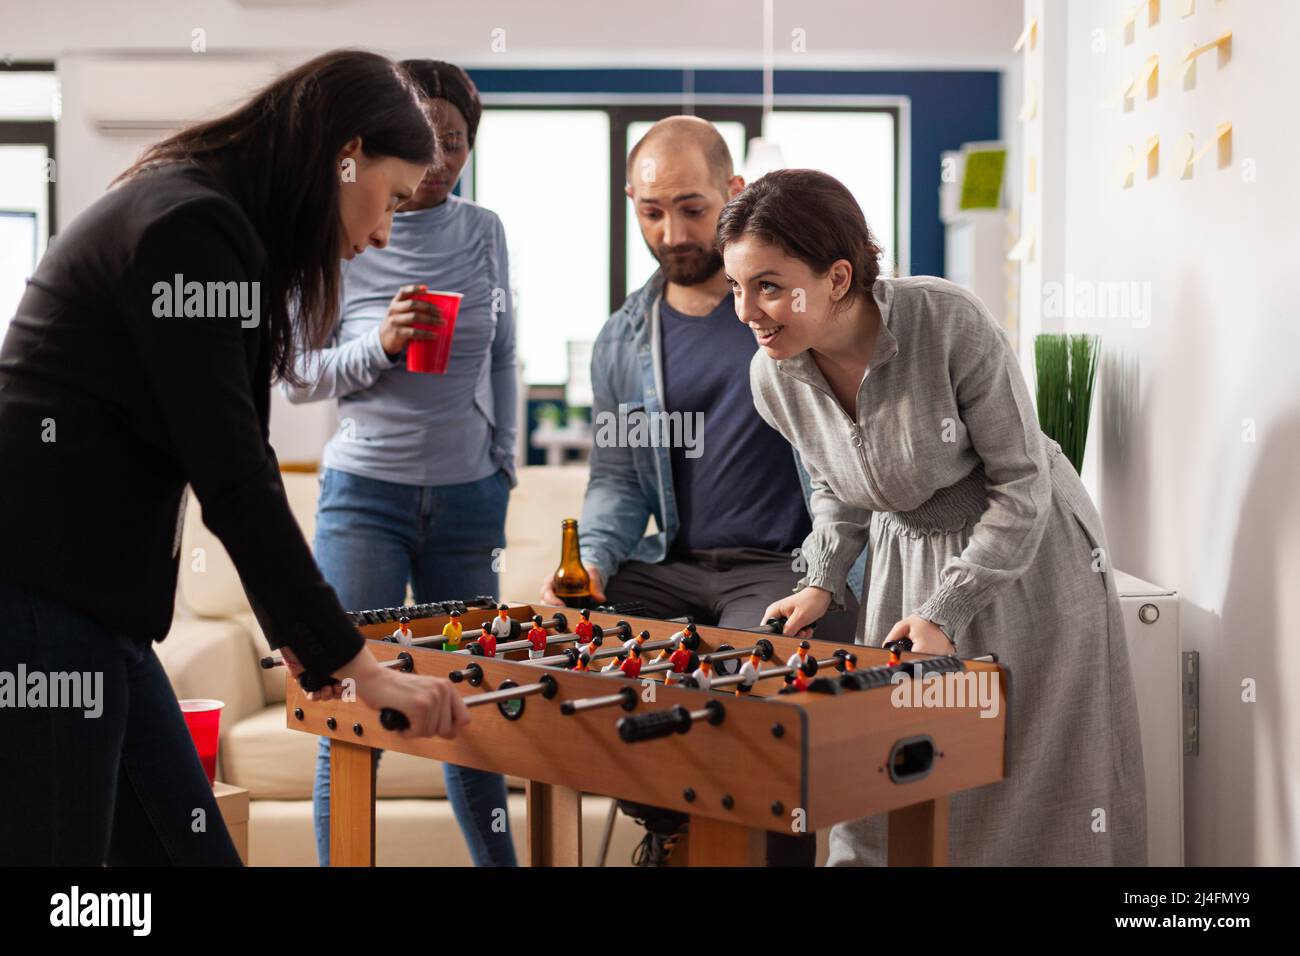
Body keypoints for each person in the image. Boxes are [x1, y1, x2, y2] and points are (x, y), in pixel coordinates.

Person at [0, 50, 469, 865]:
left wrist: (302, 636)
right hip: (37, 598)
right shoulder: (193, 225)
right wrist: (356, 664)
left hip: (95, 607)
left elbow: (233, 453)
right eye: (390, 198)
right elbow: (236, 479)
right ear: (344, 155)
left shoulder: (216, 223)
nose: (386, 231)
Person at [720, 168, 1147, 866]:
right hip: (904, 567)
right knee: (895, 786)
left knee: (1034, 781)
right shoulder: (774, 375)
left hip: (1025, 558)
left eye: (769, 285)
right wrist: (822, 578)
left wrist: (950, 604)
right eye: (736, 286)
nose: (746, 311)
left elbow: (1021, 484)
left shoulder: (947, 321)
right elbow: (835, 486)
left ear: (836, 276)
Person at [539, 115, 861, 867]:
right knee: (572, 643)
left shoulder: (789, 306)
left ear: (733, 192)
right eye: (651, 211)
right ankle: (671, 827)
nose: (673, 231)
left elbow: (848, 465)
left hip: (783, 564)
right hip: (679, 563)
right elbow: (618, 481)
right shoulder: (625, 337)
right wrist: (590, 558)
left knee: (762, 692)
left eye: (691, 207)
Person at [283, 60, 518, 867]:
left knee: (472, 716)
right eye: (423, 141)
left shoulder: (484, 231)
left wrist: (503, 463)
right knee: (352, 715)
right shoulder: (339, 225)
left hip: (468, 502)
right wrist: (379, 346)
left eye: (453, 142)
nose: (438, 160)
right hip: (363, 500)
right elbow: (297, 371)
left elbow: (506, 357)